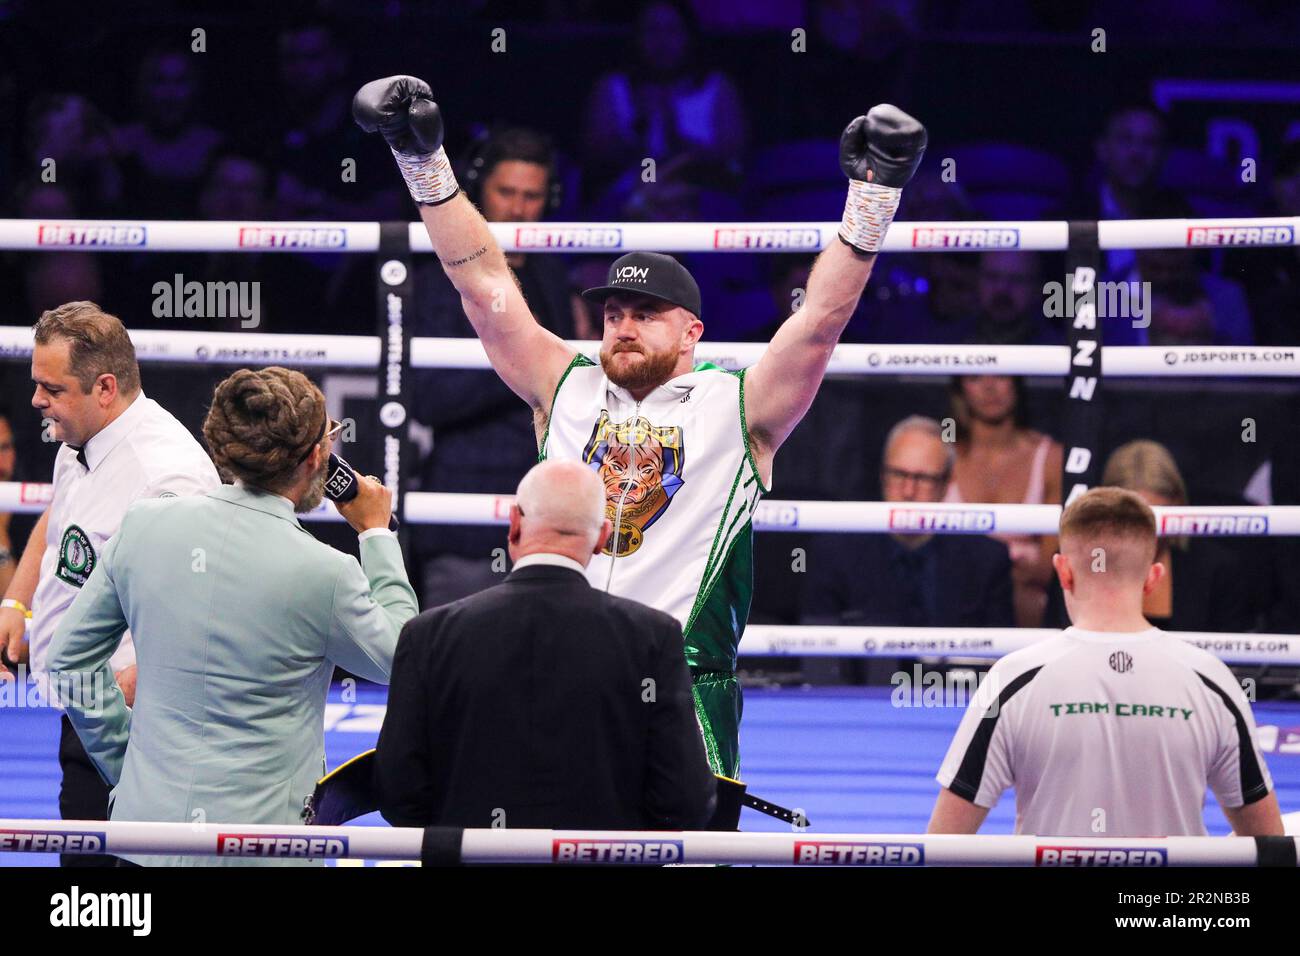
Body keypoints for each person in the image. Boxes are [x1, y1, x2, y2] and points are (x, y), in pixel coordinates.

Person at [354, 74, 926, 776]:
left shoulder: (739, 406)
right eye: (614, 313)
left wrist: (873, 196)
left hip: (684, 684)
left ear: (692, 332)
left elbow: (818, 323)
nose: (623, 327)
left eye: (645, 314)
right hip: (558, 671)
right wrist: (422, 160)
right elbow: (482, 282)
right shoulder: (563, 384)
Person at [48, 366, 418, 867]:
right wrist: (377, 534)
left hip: (145, 839)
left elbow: (69, 657)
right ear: (315, 458)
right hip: (263, 852)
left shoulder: (145, 525)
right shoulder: (324, 572)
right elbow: (404, 658)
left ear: (219, 444)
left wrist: (125, 763)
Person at [375, 459, 715, 830]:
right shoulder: (653, 637)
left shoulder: (428, 636)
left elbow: (398, 793)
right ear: (603, 537)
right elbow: (684, 800)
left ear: (515, 523)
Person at [928, 487, 1283, 837]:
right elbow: (1269, 845)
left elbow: (943, 846)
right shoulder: (1211, 681)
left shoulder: (1011, 681)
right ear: (1153, 579)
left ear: (1063, 571)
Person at [0, 302, 220, 867]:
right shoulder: (82, 437)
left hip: (137, 727)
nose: (36, 401)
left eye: (52, 387)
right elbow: (60, 517)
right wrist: (15, 601)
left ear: (103, 387)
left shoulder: (165, 474)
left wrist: (118, 692)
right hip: (86, 708)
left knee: (109, 886)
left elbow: (203, 610)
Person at [411, 127, 577, 607]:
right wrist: (524, 361)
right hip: (464, 510)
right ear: (479, 190)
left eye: (532, 196)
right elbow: (430, 396)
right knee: (461, 669)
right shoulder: (438, 279)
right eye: (506, 192)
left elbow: (564, 387)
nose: (518, 208)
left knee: (541, 672)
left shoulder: (550, 273)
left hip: (546, 508)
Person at [801, 415, 1013, 630]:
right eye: (899, 474)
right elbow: (819, 656)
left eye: (923, 479)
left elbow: (1001, 660)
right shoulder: (835, 553)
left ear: (946, 484)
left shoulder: (987, 560)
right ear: (882, 476)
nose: (908, 491)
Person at [1043, 440, 1255, 633]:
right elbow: (1059, 642)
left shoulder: (1217, 569)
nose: (1144, 529)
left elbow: (1232, 660)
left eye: (1154, 517)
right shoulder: (1078, 560)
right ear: (1107, 510)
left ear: (1177, 505)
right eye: (1132, 520)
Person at [945, 375, 1062, 628]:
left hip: (1027, 600)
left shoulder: (1050, 457)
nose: (989, 387)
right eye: (976, 378)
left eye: (1000, 375)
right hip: (953, 593)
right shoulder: (944, 452)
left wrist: (999, 577)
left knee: (1029, 600)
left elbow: (1050, 566)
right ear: (960, 388)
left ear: (1016, 381)